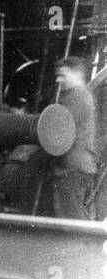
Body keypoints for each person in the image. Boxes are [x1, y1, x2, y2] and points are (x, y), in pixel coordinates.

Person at [48, 56, 97, 220]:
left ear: (76, 74)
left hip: (72, 166)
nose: (58, 80)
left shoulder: (77, 97)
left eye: (62, 75)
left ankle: (83, 246)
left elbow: (60, 127)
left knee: (71, 217)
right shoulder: (76, 96)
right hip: (75, 166)